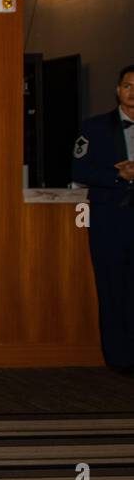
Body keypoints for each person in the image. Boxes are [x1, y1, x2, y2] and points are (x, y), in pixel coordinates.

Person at [72, 64, 134, 373]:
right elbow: (79, 170)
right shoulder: (94, 127)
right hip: (110, 220)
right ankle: (118, 359)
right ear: (118, 90)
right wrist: (117, 174)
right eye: (128, 86)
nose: (132, 93)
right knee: (111, 289)